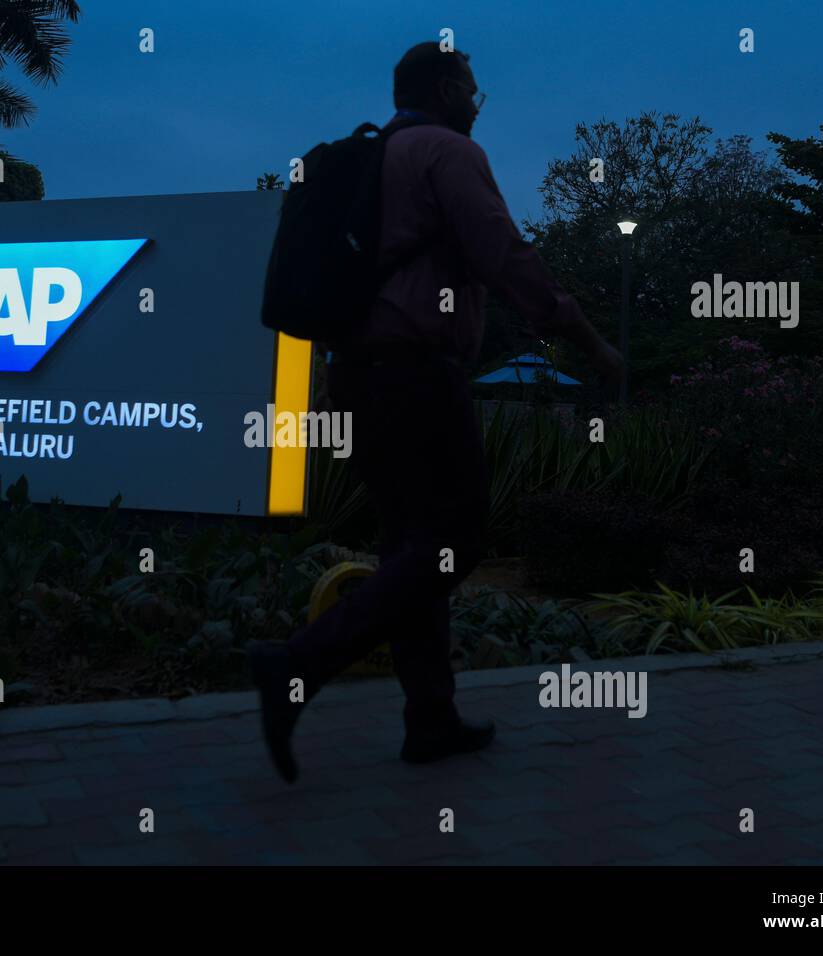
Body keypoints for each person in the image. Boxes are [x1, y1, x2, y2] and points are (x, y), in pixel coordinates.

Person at [248, 42, 624, 783]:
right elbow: (505, 255)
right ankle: (296, 664)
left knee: (413, 548)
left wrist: (335, 374)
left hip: (361, 374)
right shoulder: (443, 152)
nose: (477, 105)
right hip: (418, 376)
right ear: (448, 88)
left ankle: (432, 720)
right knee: (457, 540)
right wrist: (588, 338)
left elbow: (352, 281)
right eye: (473, 91)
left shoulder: (364, 159)